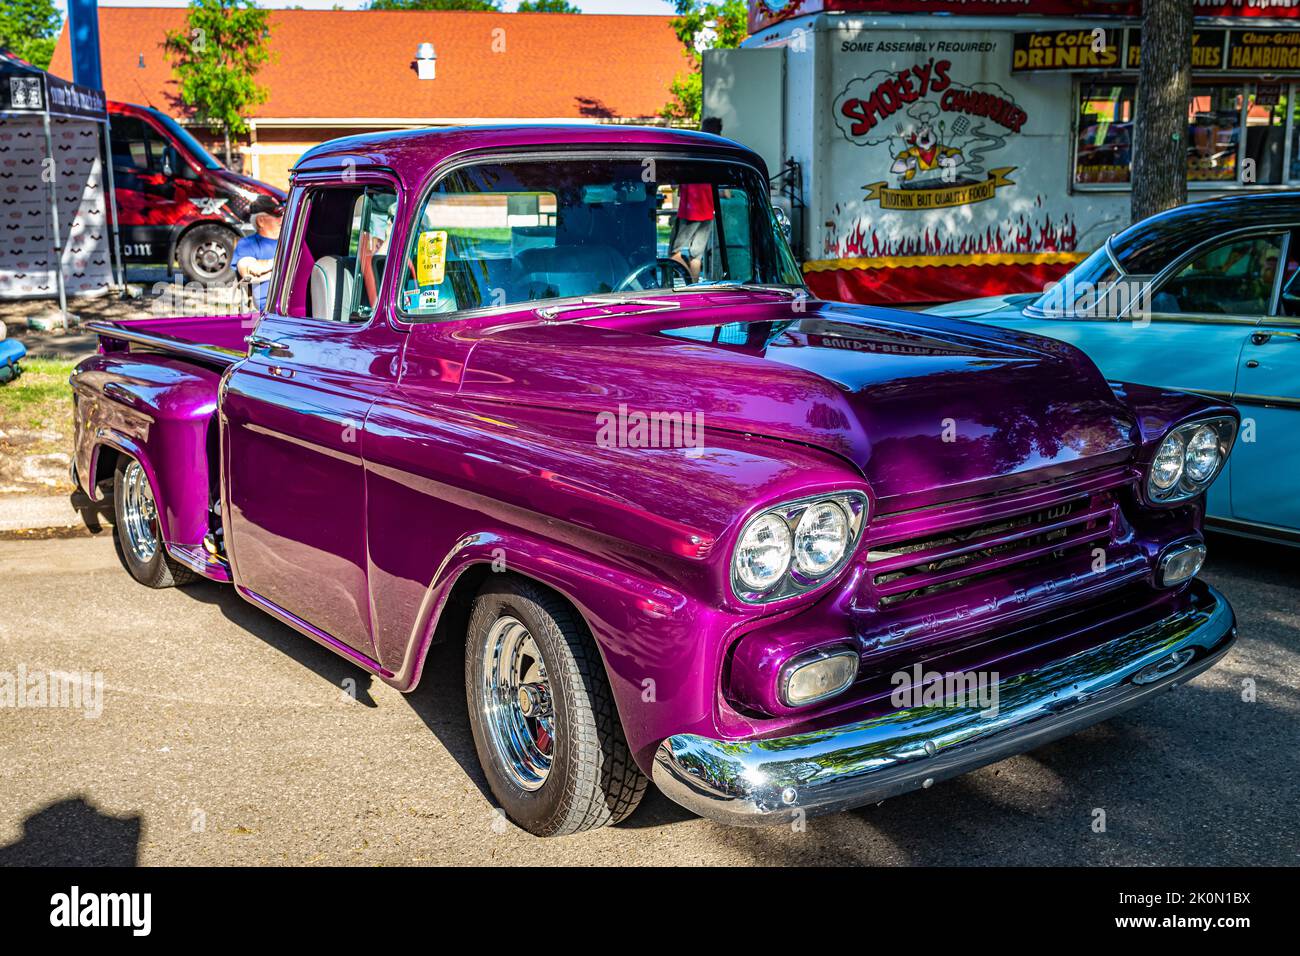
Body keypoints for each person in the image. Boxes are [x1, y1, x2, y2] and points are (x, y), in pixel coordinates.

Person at [233, 196, 283, 310]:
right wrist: (286, 263)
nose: (281, 219)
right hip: (270, 310)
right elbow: (249, 272)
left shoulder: (292, 241)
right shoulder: (248, 244)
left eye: (282, 215)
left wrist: (269, 272)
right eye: (276, 216)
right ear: (261, 221)